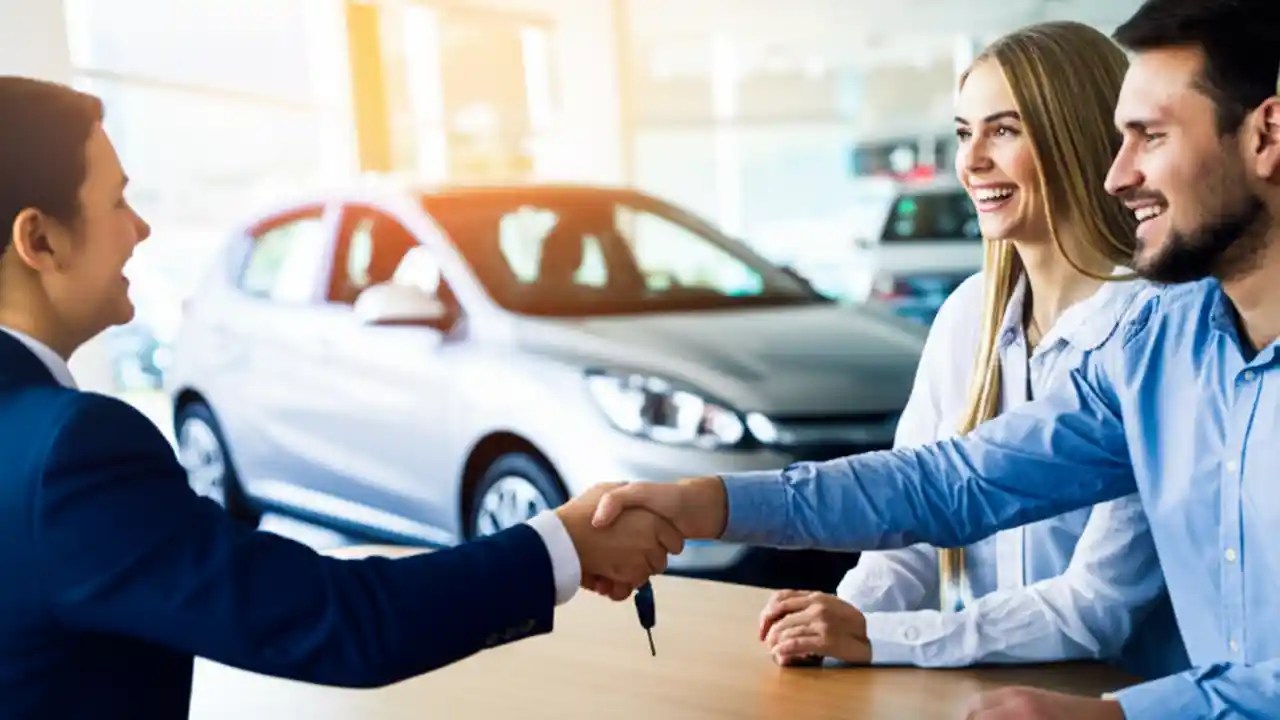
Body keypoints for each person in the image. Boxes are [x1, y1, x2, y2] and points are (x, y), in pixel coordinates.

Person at [590, 1, 1280, 717]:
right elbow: (954, 483)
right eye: (1120, 138)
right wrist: (708, 503)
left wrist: (1112, 714)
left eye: (1150, 137)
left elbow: (1099, 611)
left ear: (1266, 135)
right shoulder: (1161, 349)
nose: (1117, 175)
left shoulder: (1137, 325)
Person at [0, 77, 679, 719]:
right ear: (39, 239)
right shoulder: (67, 454)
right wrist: (565, 543)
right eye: (118, 200)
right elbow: (346, 620)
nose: (140, 227)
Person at [754, 21, 1184, 678]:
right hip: (979, 688)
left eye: (1003, 130)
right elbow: (911, 522)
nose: (971, 159)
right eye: (963, 132)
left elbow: (1095, 606)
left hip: (1113, 700)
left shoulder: (1156, 329)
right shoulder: (966, 316)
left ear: (1078, 137)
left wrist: (880, 636)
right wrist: (831, 628)